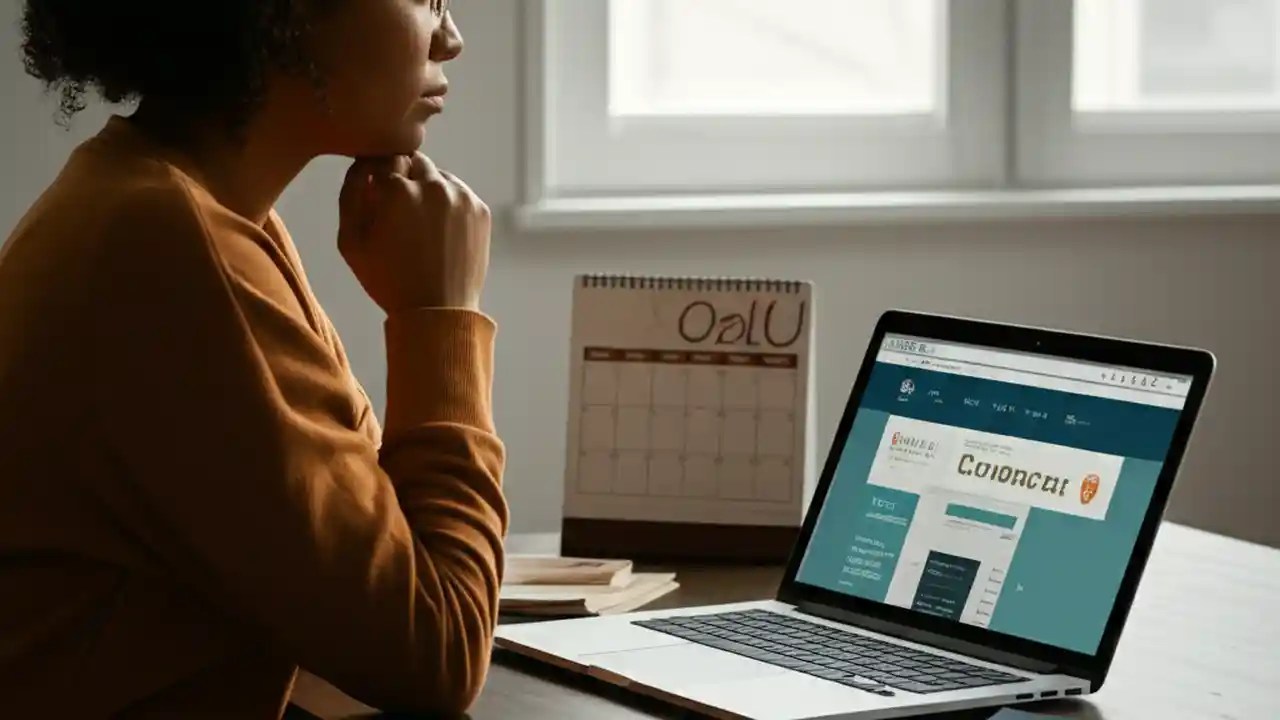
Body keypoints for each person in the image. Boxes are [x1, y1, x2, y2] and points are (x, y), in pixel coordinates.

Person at [0, 0, 508, 717]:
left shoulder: (174, 206)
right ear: (285, 13)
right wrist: (438, 318)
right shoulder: (168, 245)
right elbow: (438, 654)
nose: (450, 39)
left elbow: (371, 565)